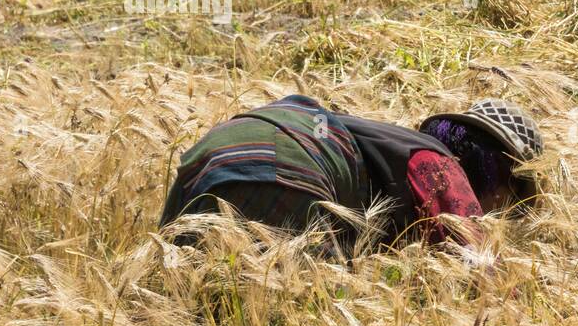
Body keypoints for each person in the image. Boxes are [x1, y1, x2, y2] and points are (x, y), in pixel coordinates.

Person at [159, 94, 543, 254]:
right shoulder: (438, 164)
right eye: (513, 198)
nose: (503, 212)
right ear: (496, 171)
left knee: (190, 295)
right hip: (289, 163)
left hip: (217, 146)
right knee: (291, 322)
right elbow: (475, 272)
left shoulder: (393, 145)